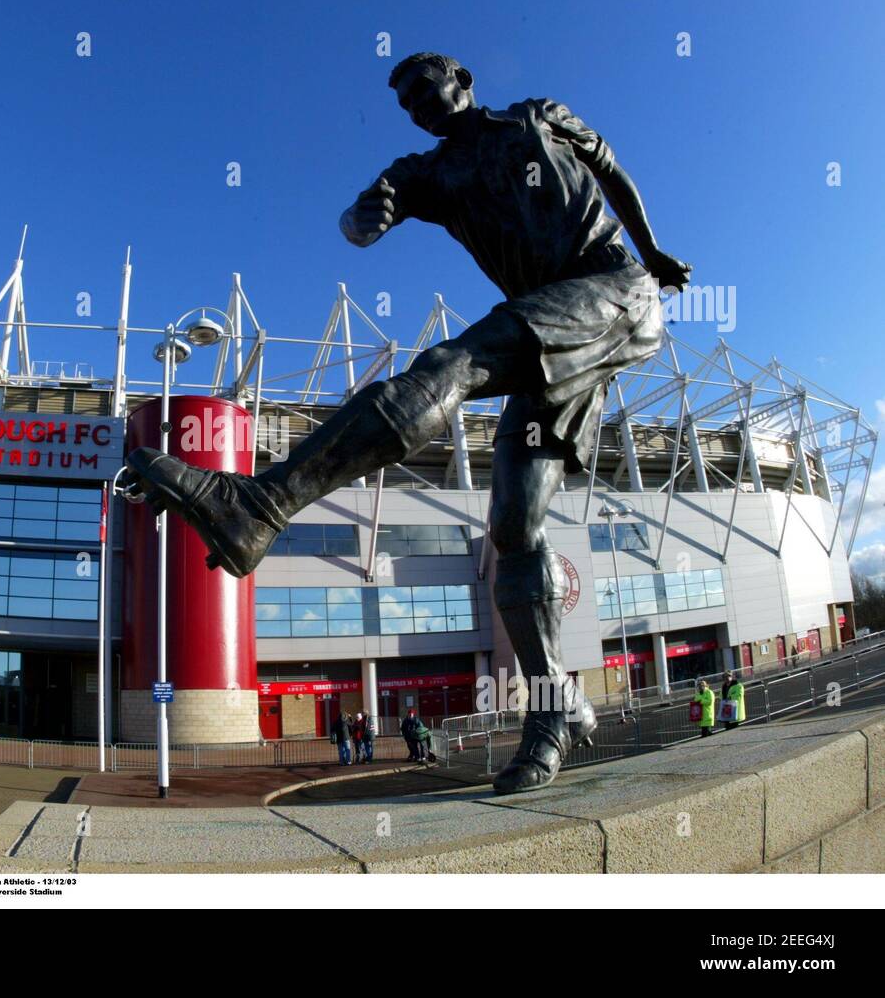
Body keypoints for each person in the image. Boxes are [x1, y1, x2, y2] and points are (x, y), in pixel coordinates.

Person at [122, 51, 690, 796]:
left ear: (464, 81)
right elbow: (363, 215)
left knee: (449, 365)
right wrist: (367, 215)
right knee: (515, 529)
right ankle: (558, 705)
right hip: (552, 333)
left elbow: (612, 170)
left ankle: (262, 504)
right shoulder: (429, 174)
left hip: (613, 291)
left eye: (428, 88)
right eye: (409, 102)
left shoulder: (538, 115)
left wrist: (653, 253)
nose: (421, 104)